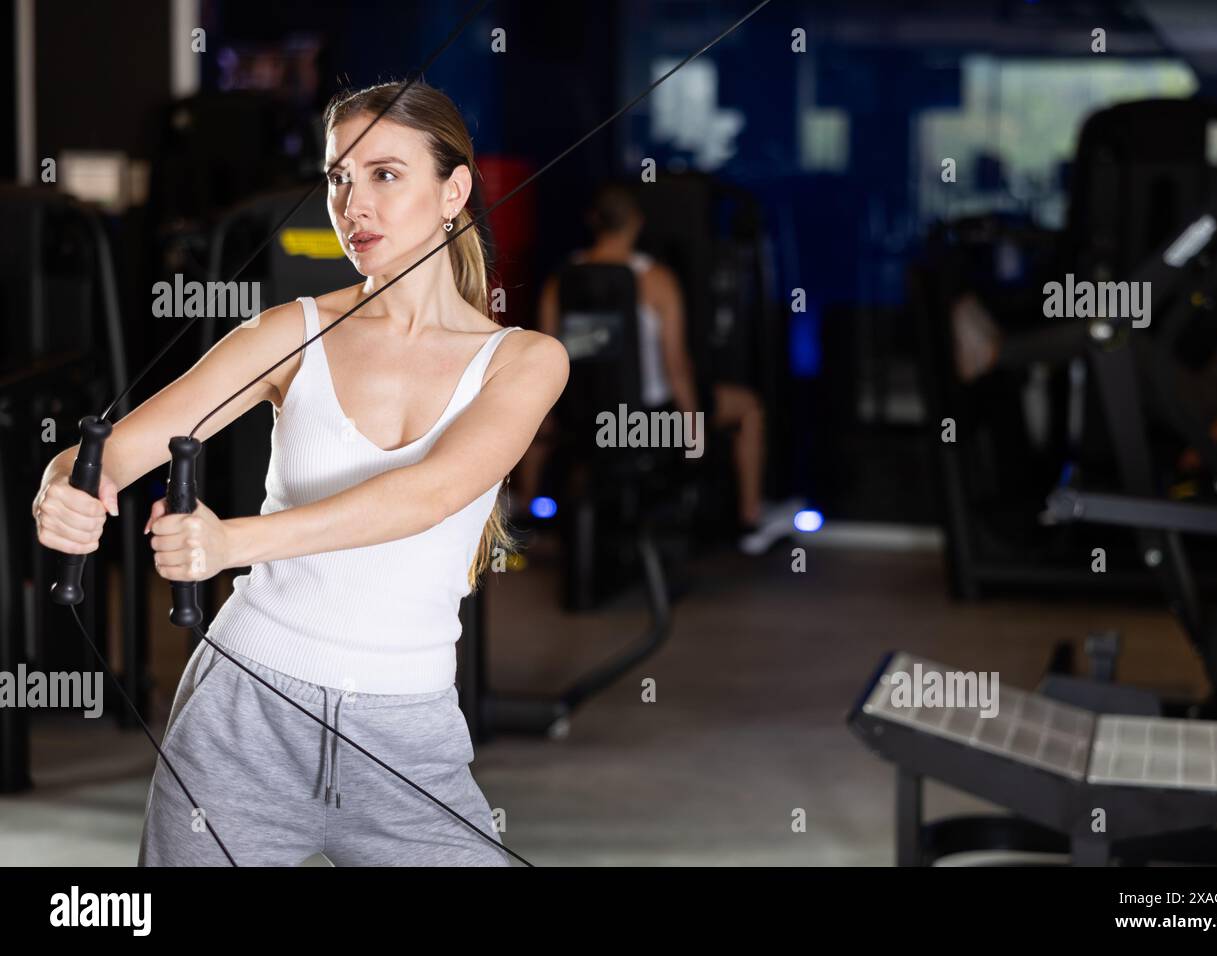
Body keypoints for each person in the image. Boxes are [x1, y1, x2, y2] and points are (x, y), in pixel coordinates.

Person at [31, 81, 568, 866]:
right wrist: (62, 486)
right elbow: (105, 455)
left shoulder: (522, 360)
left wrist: (231, 543)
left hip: (406, 731)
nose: (353, 204)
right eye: (337, 178)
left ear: (453, 190)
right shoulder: (291, 331)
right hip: (242, 710)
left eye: (384, 174)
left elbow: (431, 493)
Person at [516, 182, 792, 554]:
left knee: (536, 423)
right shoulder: (658, 281)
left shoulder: (558, 282)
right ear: (638, 224)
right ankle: (750, 522)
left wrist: (545, 420)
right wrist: (694, 437)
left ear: (592, 222)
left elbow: (544, 365)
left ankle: (521, 525)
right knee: (749, 407)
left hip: (584, 422)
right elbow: (676, 368)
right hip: (648, 424)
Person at [951, 216, 1217, 474]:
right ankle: (1006, 350)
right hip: (1201, 388)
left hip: (1205, 402)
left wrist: (1209, 443)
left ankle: (994, 352)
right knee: (1110, 337)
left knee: (1116, 333)